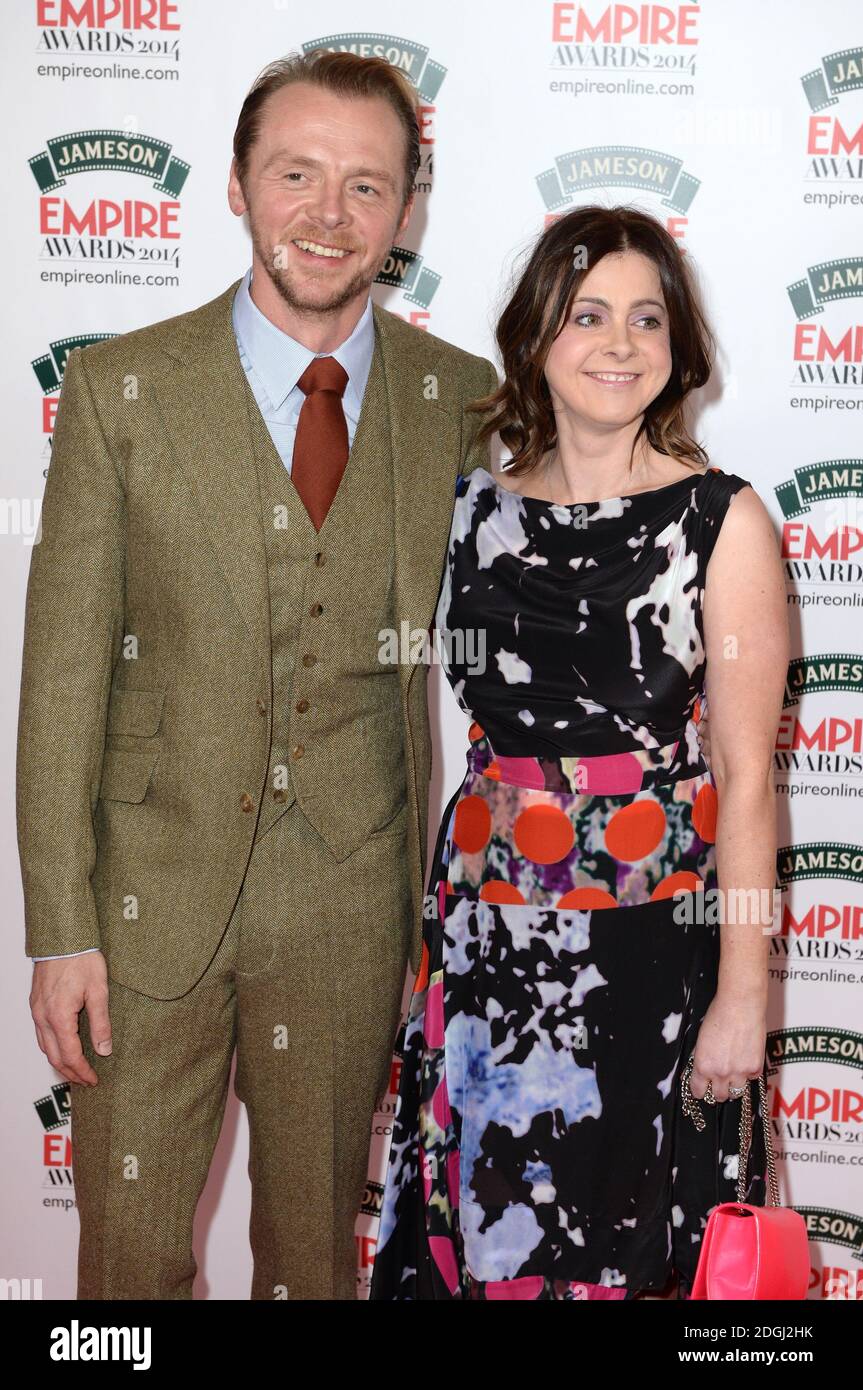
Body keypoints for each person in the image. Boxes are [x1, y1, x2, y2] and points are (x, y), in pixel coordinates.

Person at [16, 50, 499, 1301]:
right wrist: (59, 929)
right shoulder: (123, 391)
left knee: (311, 1262)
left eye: (365, 186)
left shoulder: (461, 400)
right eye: (296, 174)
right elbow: (61, 679)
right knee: (124, 1263)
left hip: (352, 898)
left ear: (406, 211)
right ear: (237, 185)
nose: (326, 216)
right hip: (146, 904)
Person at [369, 204, 788, 1301]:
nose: (617, 342)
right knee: (479, 1237)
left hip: (650, 955)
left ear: (676, 347)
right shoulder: (467, 511)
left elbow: (747, 779)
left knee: (630, 1252)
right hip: (481, 950)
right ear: (535, 337)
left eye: (645, 318)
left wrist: (741, 996)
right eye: (586, 313)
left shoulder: (718, 519)